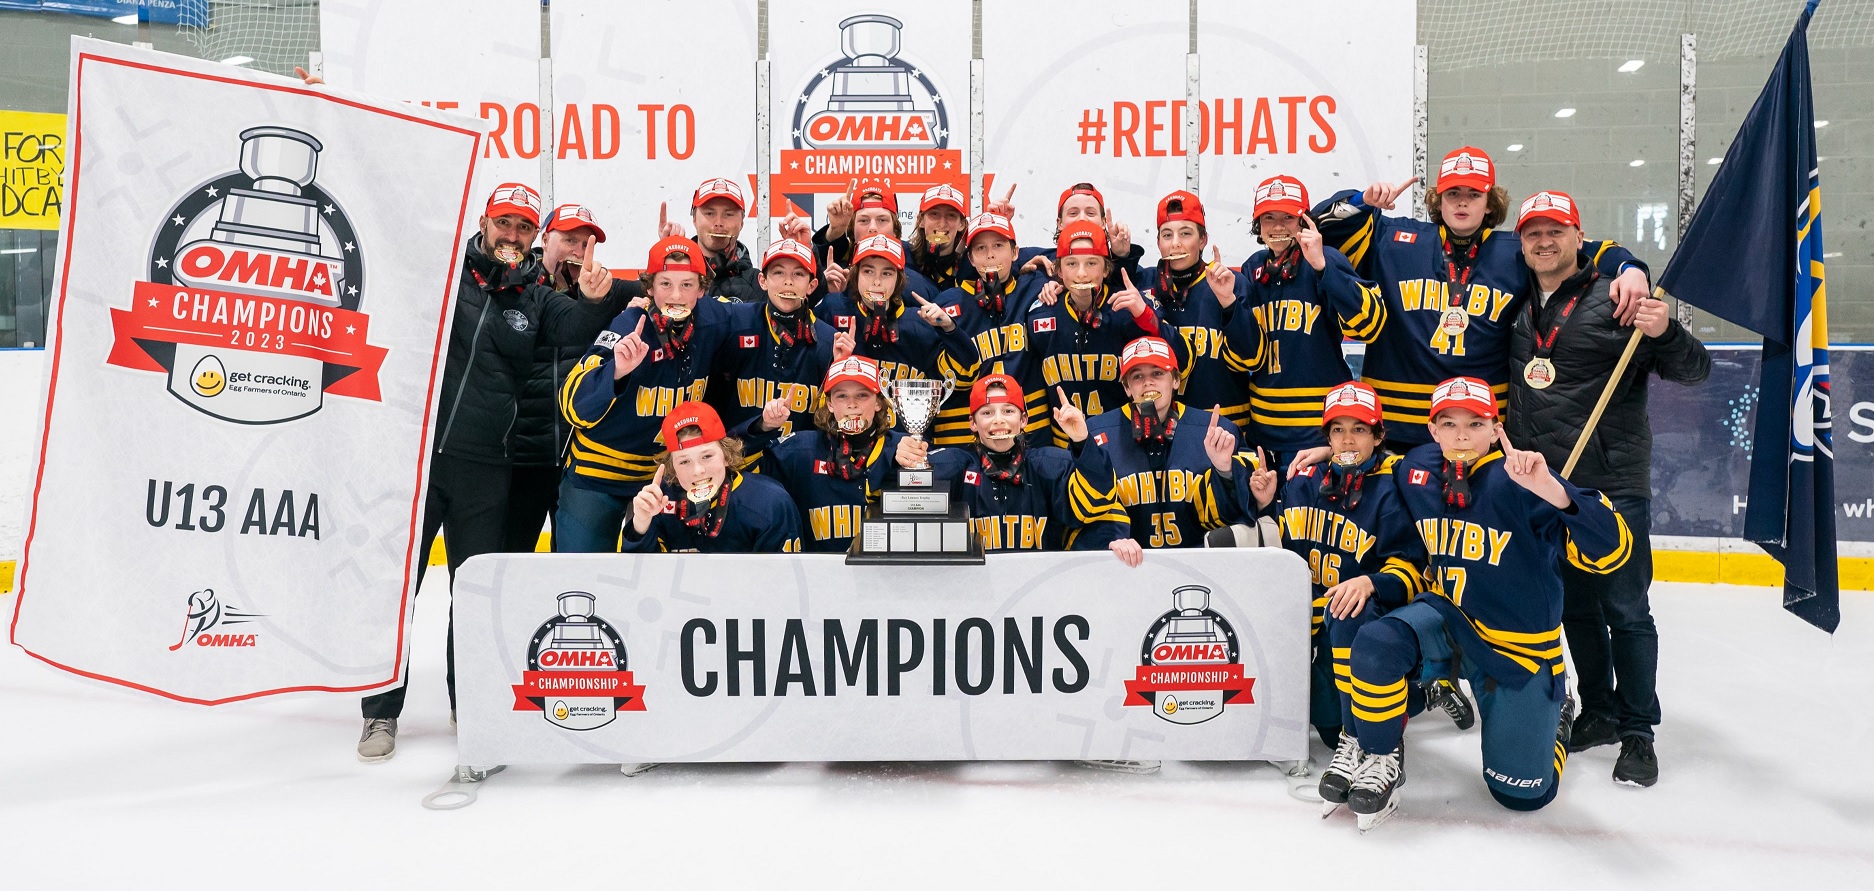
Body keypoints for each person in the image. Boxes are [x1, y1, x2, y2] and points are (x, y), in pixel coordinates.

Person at [356, 183, 629, 763]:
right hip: (419, 462)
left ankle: (471, 705)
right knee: (398, 593)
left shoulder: (536, 295)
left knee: (474, 597)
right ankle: (379, 713)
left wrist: (599, 300)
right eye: (505, 224)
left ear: (535, 236)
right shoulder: (445, 271)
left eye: (523, 228)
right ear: (485, 221)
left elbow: (579, 329)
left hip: (487, 469)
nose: (512, 237)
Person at [1340, 376, 1632, 830]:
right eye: (1449, 423)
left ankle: (1556, 713)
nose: (1461, 435)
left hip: (1515, 648)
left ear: (1496, 429)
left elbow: (1612, 554)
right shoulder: (1416, 467)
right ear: (1432, 430)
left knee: (1520, 796)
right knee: (1376, 643)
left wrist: (1556, 492)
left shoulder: (1523, 480)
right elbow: (1372, 463)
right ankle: (1382, 757)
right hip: (1446, 618)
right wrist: (1327, 458)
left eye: (1475, 424)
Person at [1507, 190, 1710, 788]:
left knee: (1626, 608)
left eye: (1557, 231)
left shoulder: (1619, 299)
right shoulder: (1517, 301)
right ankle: (1597, 709)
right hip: (1548, 486)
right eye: (1533, 233)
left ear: (1579, 236)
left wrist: (1666, 330)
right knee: (1574, 607)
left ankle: (1639, 730)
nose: (1544, 242)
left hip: (1611, 484)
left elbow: (1694, 370)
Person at [1310, 146, 1652, 451]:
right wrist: (1361, 201)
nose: (1461, 201)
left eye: (1473, 194)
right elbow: (1315, 226)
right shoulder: (1394, 239)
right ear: (1437, 199)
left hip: (1478, 431)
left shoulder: (1516, 250)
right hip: (1394, 427)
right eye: (1452, 193)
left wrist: (1630, 267)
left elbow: (1581, 247)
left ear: (1490, 202)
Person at [1245, 382, 1442, 808]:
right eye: (1338, 431)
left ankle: (1382, 737)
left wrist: (1370, 582)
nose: (1348, 439)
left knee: (1348, 612)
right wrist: (1264, 506)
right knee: (1327, 723)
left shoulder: (1395, 487)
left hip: (1365, 620)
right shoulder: (1302, 482)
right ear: (1326, 436)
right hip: (1311, 622)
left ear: (1378, 434)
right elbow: (1283, 559)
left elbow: (1412, 570)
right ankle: (1418, 695)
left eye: (1359, 429)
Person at [557, 236, 736, 553]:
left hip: (661, 480)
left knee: (656, 583)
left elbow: (773, 310)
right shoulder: (629, 324)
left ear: (703, 289)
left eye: (687, 284)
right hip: (596, 476)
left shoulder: (715, 321)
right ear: (649, 289)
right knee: (581, 579)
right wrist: (616, 371)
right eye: (665, 283)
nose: (677, 295)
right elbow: (572, 406)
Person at [503, 202, 642, 556]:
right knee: (509, 566)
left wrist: (668, 255)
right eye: (569, 240)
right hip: (522, 459)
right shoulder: (509, 284)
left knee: (572, 574)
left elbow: (668, 291)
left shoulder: (606, 289)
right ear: (545, 238)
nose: (578, 251)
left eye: (586, 244)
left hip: (577, 460)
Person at [1238, 176, 1386, 466]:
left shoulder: (1326, 258)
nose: (1278, 226)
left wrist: (1322, 267)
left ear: (1304, 221)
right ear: (1258, 225)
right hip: (1264, 433)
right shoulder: (1253, 267)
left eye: (1288, 218)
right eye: (1269, 218)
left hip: (1318, 433)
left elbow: (1370, 325)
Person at [927, 374, 1132, 558]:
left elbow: (1098, 500)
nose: (998, 420)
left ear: (1023, 419)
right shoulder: (955, 467)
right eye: (987, 413)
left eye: (1008, 411)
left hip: (1040, 594)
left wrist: (1082, 441)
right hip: (973, 595)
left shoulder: (1048, 466)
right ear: (973, 423)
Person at [739, 356, 922, 553]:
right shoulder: (801, 450)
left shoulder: (902, 447)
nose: (852, 404)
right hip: (819, 577)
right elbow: (735, 468)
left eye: (862, 395)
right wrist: (763, 427)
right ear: (830, 404)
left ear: (878, 402)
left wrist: (915, 459)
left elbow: (955, 462)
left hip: (885, 575)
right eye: (842, 396)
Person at [1026, 221, 1184, 445]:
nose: (1081, 274)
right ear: (1059, 271)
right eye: (1072, 263)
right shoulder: (1039, 315)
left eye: (1092, 263)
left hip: (1122, 443)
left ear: (1106, 268)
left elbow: (1184, 363)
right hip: (1064, 444)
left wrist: (1145, 316)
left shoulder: (1129, 308)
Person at [1084, 336, 1248, 552]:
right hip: (1127, 568)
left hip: (1202, 567)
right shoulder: (1096, 434)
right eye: (1137, 376)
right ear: (1126, 388)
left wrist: (1226, 471)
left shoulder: (1218, 430)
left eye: (1157, 373)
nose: (1148, 382)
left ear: (1176, 380)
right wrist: (1109, 539)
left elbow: (1248, 511)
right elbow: (1079, 520)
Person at [1133, 189, 1265, 431]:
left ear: (1203, 240)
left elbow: (1253, 359)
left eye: (1186, 234)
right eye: (1167, 235)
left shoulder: (1232, 282)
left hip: (1226, 430)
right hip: (1165, 431)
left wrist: (1228, 302)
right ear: (1158, 242)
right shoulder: (1145, 287)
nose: (1175, 244)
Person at [927, 212, 1051, 446]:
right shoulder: (949, 304)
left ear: (1015, 253)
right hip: (963, 437)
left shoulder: (1035, 289)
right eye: (981, 248)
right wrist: (950, 330)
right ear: (971, 259)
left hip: (1029, 432)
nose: (991, 254)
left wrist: (1056, 282)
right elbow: (947, 379)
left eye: (998, 245)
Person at [620, 401, 804, 554]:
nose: (698, 470)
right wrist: (640, 525)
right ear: (672, 467)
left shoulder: (770, 501)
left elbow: (783, 583)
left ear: (726, 455)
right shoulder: (655, 503)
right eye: (684, 462)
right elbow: (642, 581)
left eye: (707, 456)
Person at [710, 239, 839, 446]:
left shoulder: (830, 341)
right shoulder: (736, 321)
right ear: (762, 280)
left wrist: (840, 365)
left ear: (812, 285)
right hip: (738, 459)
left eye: (798, 274)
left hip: (796, 464)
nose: (788, 282)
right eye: (778, 272)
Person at [817, 235, 972, 388]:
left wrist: (950, 328)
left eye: (886, 273)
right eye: (868, 271)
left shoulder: (919, 323)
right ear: (855, 275)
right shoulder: (832, 311)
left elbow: (965, 377)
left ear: (899, 280)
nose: (876, 281)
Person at [658, 177, 762, 303]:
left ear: (741, 223)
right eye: (709, 213)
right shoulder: (673, 275)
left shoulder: (760, 284)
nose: (718, 223)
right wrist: (667, 260)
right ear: (694, 219)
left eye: (728, 214)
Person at [906, 183, 976, 292]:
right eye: (934, 214)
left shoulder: (971, 264)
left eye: (951, 215)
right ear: (920, 221)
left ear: (962, 224)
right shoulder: (904, 257)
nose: (942, 224)